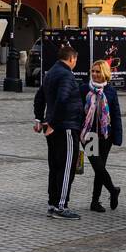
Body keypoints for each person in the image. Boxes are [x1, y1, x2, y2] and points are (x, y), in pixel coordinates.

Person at [34, 43, 85, 219]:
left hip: (53, 127)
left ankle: (53, 203)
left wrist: (39, 119)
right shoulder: (66, 75)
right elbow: (63, 100)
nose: (75, 62)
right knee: (66, 168)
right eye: (75, 59)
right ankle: (61, 206)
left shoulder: (50, 73)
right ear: (71, 59)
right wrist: (54, 123)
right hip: (66, 127)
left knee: (55, 167)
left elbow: (40, 96)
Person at [81, 59, 124, 213]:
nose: (94, 74)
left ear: (105, 73)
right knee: (97, 166)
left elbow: (116, 115)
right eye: (92, 71)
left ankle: (95, 201)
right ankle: (113, 190)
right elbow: (78, 112)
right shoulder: (85, 89)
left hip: (106, 136)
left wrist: (118, 137)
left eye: (97, 71)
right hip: (90, 135)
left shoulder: (111, 92)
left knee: (100, 169)